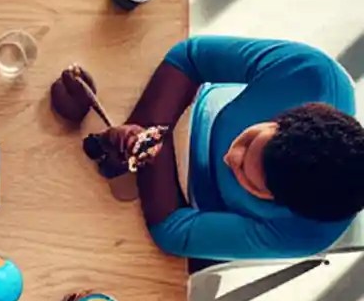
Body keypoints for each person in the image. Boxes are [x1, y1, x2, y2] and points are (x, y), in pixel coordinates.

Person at [94, 36, 363, 261]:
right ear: (286, 117)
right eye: (249, 141)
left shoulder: (305, 232)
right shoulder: (312, 72)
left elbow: (173, 232)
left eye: (248, 179)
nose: (230, 157)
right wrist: (145, 131)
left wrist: (150, 144)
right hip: (186, 106)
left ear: (281, 203)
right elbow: (188, 57)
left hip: (181, 194)